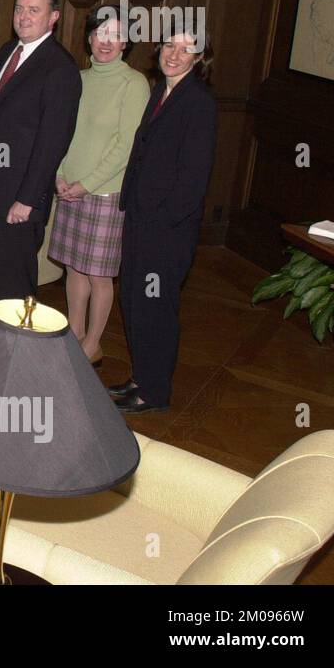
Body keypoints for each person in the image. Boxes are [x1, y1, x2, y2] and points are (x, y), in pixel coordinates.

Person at [110, 32, 217, 414]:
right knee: (135, 302)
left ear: (199, 57)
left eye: (185, 49)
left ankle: (154, 392)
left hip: (166, 231)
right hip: (140, 218)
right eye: (169, 46)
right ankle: (141, 378)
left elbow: (193, 179)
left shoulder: (199, 103)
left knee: (156, 307)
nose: (174, 55)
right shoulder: (161, 91)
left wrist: (160, 224)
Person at [47, 7, 148, 365]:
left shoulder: (133, 83)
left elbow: (126, 146)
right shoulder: (78, 78)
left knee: (99, 273)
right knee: (74, 267)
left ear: (126, 42)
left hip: (105, 192)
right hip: (69, 186)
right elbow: (62, 131)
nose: (106, 42)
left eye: (115, 35)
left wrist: (87, 184)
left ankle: (93, 343)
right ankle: (74, 333)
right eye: (100, 33)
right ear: (89, 37)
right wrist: (58, 173)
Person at [0, 0, 82, 301]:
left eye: (34, 10)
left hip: (20, 201)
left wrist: (28, 199)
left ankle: (20, 350)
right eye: (19, 8)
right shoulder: (9, 51)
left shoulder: (60, 68)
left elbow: (53, 142)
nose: (23, 16)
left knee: (15, 288)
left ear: (54, 17)